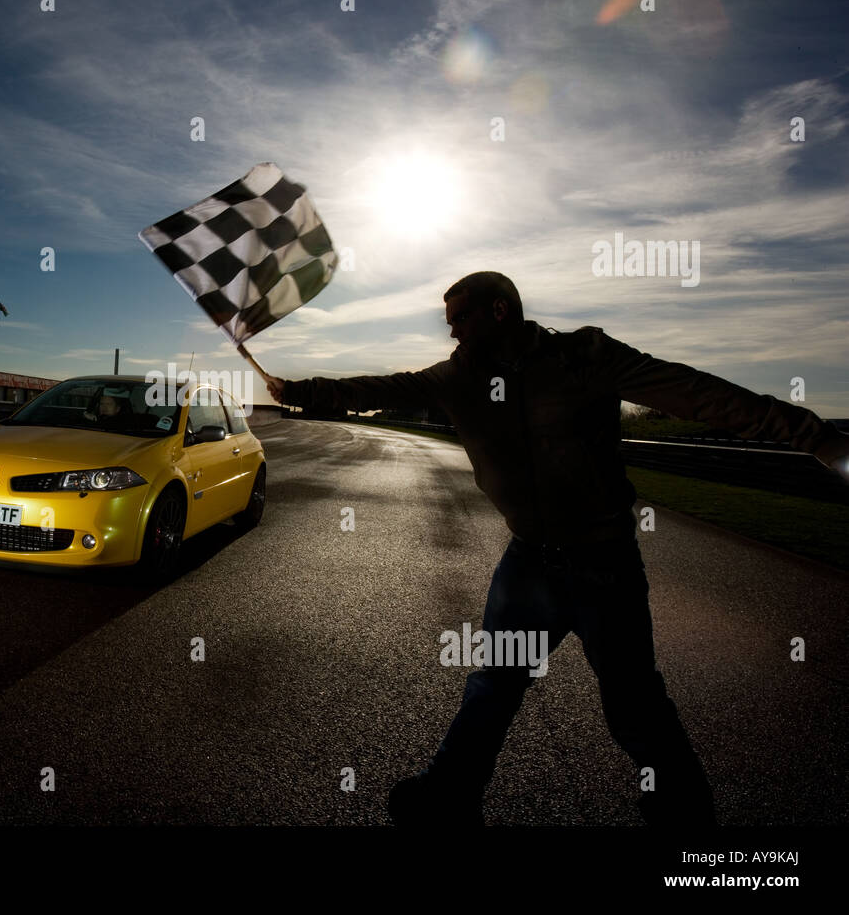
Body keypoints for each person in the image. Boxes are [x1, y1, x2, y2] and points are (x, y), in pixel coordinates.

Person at [266, 271, 849, 827]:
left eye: (460, 318)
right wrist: (298, 391)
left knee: (634, 708)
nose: (451, 331)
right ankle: (447, 799)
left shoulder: (586, 357)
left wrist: (813, 435)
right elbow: (376, 388)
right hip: (527, 565)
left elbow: (696, 393)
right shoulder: (457, 376)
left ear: (501, 310)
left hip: (605, 566)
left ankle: (687, 825)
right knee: (492, 686)